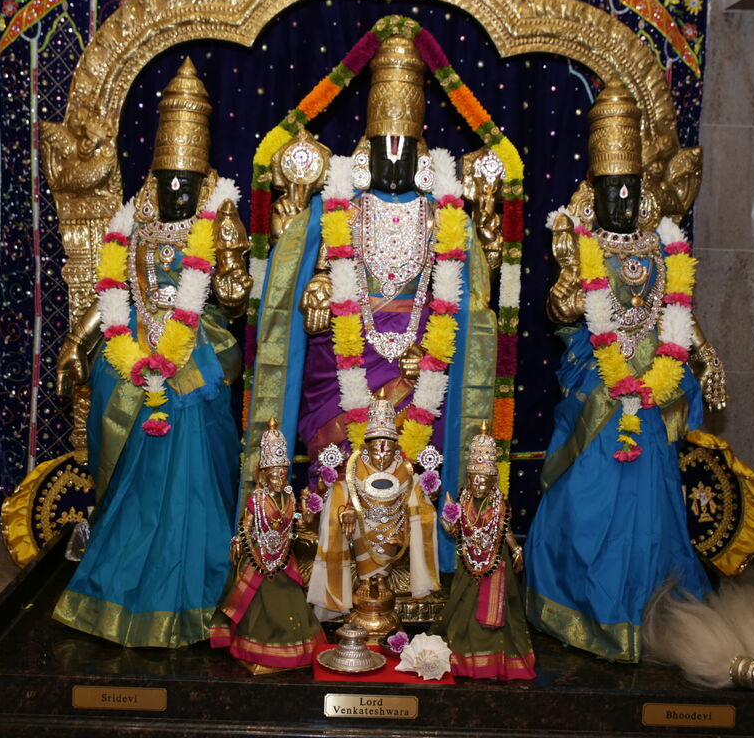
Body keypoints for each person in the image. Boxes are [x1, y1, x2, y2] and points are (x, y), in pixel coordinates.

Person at [242, 35, 496, 571]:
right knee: (338, 454)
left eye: (406, 146)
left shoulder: (447, 218)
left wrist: (429, 347)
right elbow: (293, 284)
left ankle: (415, 562)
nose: (395, 158)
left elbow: (469, 307)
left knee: (425, 443)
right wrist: (315, 293)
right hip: (341, 358)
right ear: (367, 149)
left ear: (422, 151)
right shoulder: (333, 212)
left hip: (422, 360)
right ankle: (334, 552)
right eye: (385, 146)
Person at [50, 58, 251, 647]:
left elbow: (236, 301)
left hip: (197, 348)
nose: (178, 193)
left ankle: (200, 584)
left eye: (188, 183)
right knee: (126, 433)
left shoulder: (220, 217)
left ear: (205, 177)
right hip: (131, 344)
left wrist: (235, 275)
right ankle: (117, 576)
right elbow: (108, 294)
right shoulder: (131, 220)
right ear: (155, 175)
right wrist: (75, 344)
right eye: (169, 183)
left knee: (192, 426)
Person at [525, 80, 728, 662]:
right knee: (589, 496)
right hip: (600, 380)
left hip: (658, 381)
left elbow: (678, 315)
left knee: (654, 502)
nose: (620, 198)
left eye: (629, 188)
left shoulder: (664, 247)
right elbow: (563, 313)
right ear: (594, 187)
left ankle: (646, 610)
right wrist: (568, 275)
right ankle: (582, 606)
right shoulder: (580, 242)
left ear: (642, 191)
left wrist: (706, 354)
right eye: (609, 188)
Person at [307, 389, 440, 623]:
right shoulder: (354, 469)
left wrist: (424, 499)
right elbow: (342, 494)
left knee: (384, 568)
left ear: (395, 449)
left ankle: (381, 582)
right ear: (367, 448)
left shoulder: (404, 471)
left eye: (388, 451)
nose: (382, 457)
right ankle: (366, 584)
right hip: (362, 529)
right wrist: (346, 512)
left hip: (392, 532)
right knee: (366, 570)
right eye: (377, 450)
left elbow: (416, 498)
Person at [210, 419, 325, 672]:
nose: (278, 478)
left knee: (288, 601)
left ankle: (290, 651)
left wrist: (307, 512)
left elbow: (297, 522)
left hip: (284, 558)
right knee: (257, 603)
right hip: (258, 559)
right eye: (273, 474)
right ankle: (255, 649)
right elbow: (246, 525)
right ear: (263, 475)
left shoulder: (291, 497)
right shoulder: (257, 499)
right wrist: (240, 541)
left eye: (282, 473)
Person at [432, 423, 535, 680]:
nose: (477, 485)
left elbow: (504, 530)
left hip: (496, 565)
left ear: (492, 481)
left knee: (499, 612)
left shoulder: (499, 504)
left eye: (483, 481)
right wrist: (447, 523)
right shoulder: (463, 499)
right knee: (463, 610)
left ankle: (494, 661)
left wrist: (516, 549)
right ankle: (464, 658)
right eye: (473, 480)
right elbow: (458, 532)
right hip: (468, 566)